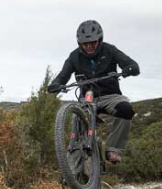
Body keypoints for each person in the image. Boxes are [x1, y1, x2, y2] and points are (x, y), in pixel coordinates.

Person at [47, 20, 139, 163]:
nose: (89, 46)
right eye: (85, 44)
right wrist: (56, 84)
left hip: (111, 96)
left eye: (93, 43)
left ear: (99, 40)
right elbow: (63, 75)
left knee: (126, 109)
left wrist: (130, 69)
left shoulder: (110, 50)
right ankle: (74, 168)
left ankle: (113, 149)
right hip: (87, 98)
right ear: (80, 43)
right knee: (78, 122)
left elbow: (131, 64)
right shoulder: (74, 57)